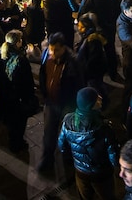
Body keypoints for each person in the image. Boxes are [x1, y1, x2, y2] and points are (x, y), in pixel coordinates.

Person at [58, 87, 119, 200]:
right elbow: (113, 154)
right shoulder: (104, 128)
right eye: (96, 98)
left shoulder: (68, 121)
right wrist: (117, 167)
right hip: (101, 174)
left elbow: (62, 145)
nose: (100, 98)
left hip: (81, 171)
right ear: (90, 104)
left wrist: (72, 160)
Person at [39, 32, 83, 173]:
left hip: (67, 105)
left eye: (56, 49)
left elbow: (79, 84)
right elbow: (43, 75)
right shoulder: (47, 55)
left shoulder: (73, 62)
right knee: (49, 133)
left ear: (63, 48)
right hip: (51, 103)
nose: (52, 52)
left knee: (68, 133)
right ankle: (47, 161)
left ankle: (69, 158)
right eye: (51, 48)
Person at [0, 30, 37, 153]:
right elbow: (27, 81)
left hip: (5, 97)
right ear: (18, 42)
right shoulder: (21, 60)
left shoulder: (1, 55)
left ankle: (13, 140)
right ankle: (17, 144)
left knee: (10, 123)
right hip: (18, 98)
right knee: (19, 124)